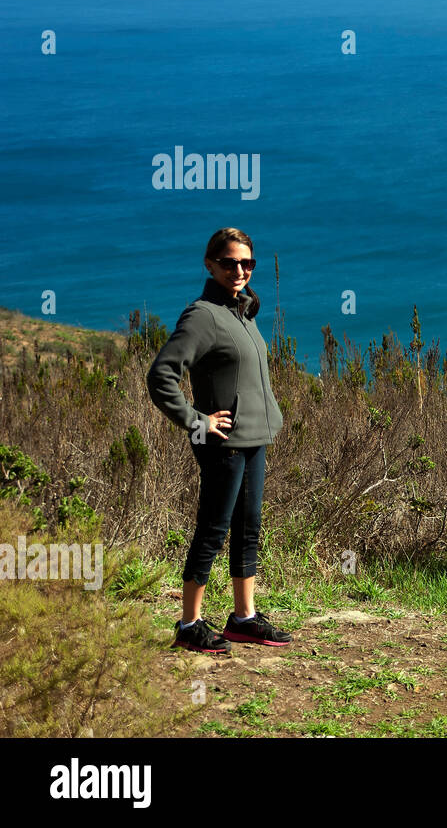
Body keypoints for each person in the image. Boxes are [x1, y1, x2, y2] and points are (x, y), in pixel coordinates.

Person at [146, 228, 292, 653]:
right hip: (224, 444)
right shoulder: (203, 315)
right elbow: (161, 376)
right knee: (213, 530)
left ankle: (243, 619)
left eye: (247, 263)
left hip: (254, 438)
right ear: (210, 264)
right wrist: (197, 421)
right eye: (230, 262)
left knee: (249, 528)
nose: (240, 270)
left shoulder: (240, 312)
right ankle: (189, 623)